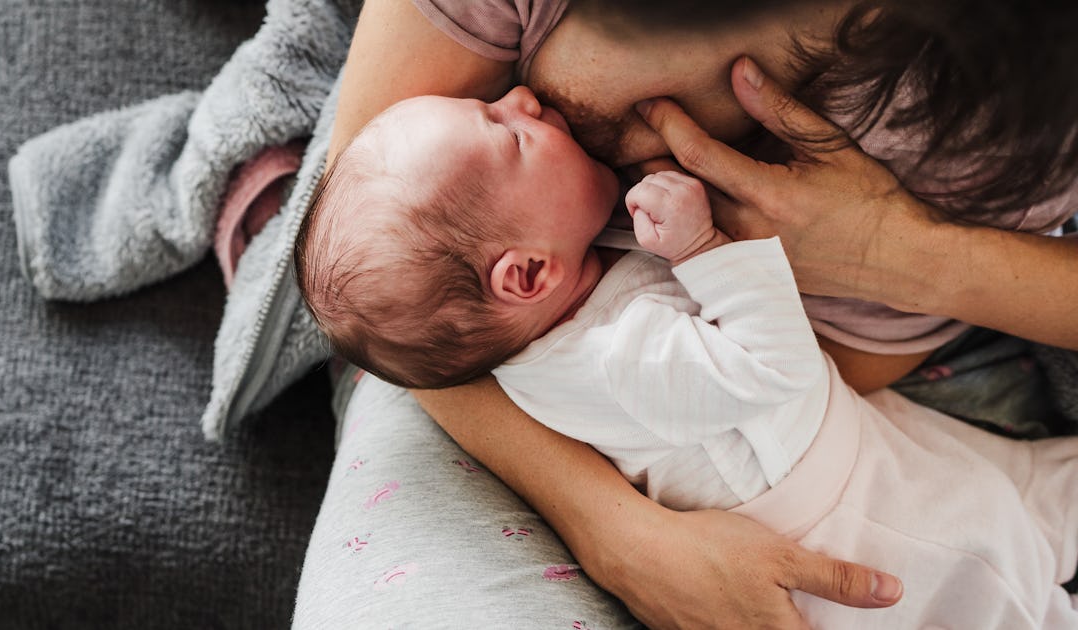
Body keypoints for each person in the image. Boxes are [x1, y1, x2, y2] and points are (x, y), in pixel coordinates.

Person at [316, 0, 1078, 626]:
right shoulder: (601, 350)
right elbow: (376, 231)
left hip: (879, 432)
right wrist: (616, 533)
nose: (518, 102)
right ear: (528, 275)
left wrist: (906, 254)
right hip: (835, 518)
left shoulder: (571, 300)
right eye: (509, 132)